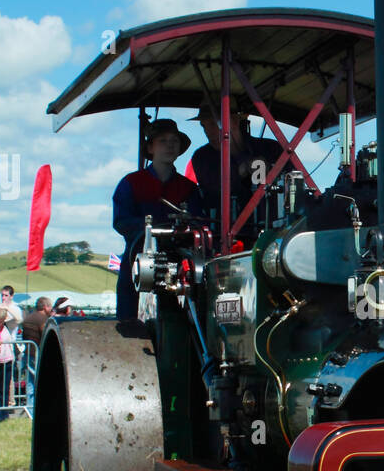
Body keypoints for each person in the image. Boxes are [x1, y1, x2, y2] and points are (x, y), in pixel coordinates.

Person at [112, 120, 204, 320]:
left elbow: (197, 222)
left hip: (179, 264)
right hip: (137, 261)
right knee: (129, 320)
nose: (170, 145)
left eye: (174, 141)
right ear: (150, 147)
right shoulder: (131, 183)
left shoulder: (188, 188)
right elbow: (121, 221)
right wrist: (149, 231)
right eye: (163, 141)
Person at [189, 106, 283, 227]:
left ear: (234, 121)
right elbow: (212, 189)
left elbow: (292, 184)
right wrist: (240, 171)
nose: (208, 131)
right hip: (222, 235)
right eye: (203, 126)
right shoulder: (202, 157)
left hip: (271, 233)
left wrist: (271, 171)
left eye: (213, 124)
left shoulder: (270, 149)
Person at [22, 296, 52, 412]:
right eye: (50, 306)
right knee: (41, 382)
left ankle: (30, 409)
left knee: (30, 382)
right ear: (45, 307)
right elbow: (46, 335)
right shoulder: (43, 319)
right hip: (38, 353)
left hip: (28, 352)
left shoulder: (28, 318)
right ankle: (42, 409)